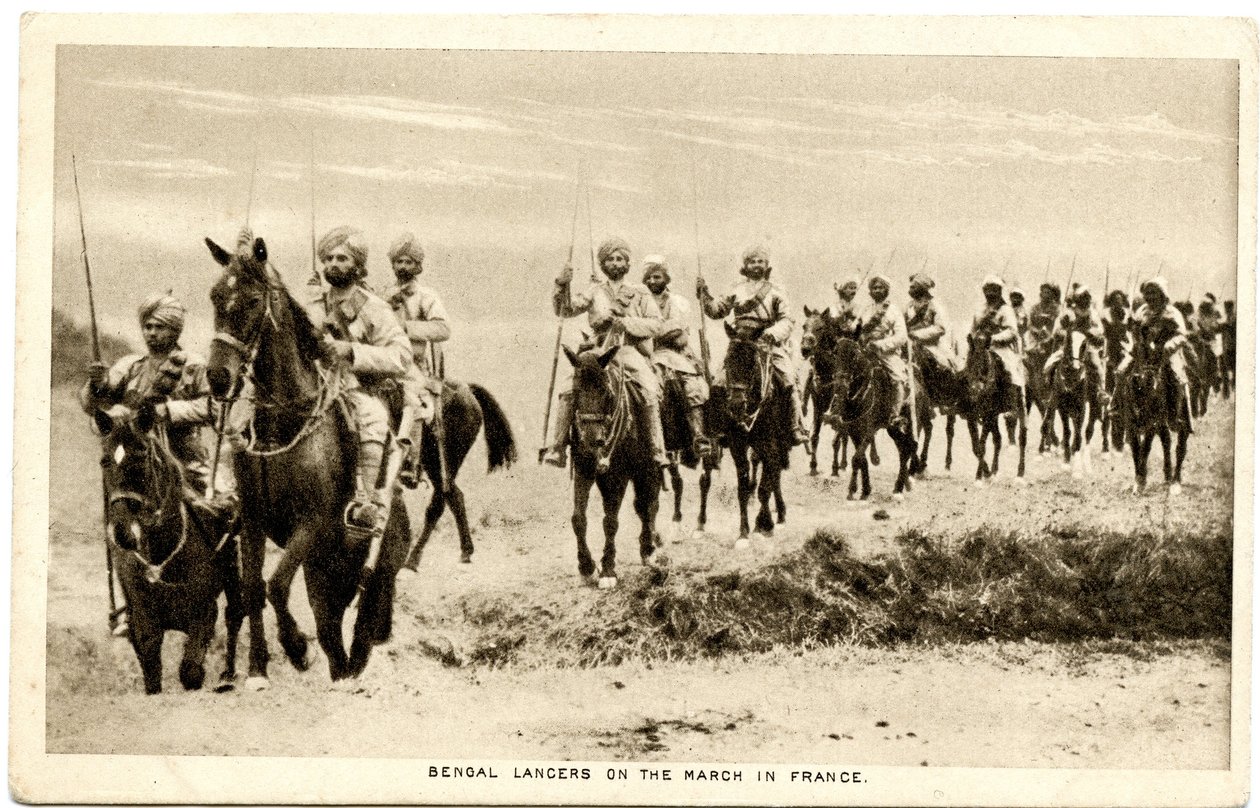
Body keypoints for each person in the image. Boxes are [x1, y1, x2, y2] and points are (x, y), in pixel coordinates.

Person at [82, 293, 233, 509]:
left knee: (223, 505)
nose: (151, 333)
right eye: (148, 326)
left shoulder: (194, 365)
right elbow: (92, 407)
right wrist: (96, 385)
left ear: (174, 330)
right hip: (136, 458)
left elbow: (216, 408)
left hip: (186, 459)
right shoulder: (130, 366)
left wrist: (167, 411)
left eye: (159, 327)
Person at [309, 226, 414, 535]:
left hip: (356, 389)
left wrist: (352, 351)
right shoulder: (314, 305)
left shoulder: (373, 307)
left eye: (341, 258)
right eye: (327, 258)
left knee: (373, 417)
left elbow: (401, 356)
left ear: (357, 265)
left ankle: (365, 501)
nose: (332, 264)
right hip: (314, 389)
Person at [544, 237, 668, 469]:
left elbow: (656, 324)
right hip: (596, 351)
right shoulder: (594, 290)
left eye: (620, 258)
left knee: (649, 388)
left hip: (627, 349)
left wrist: (625, 323)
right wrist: (561, 284)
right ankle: (558, 448)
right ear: (603, 264)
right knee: (568, 388)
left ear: (627, 263)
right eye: (610, 259)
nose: (615, 263)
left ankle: (656, 449)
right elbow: (566, 309)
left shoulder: (639, 291)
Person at [696, 245, 809, 445]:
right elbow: (717, 311)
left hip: (767, 343)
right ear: (745, 265)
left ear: (767, 265)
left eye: (760, 262)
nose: (756, 265)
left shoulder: (776, 291)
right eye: (752, 261)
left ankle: (795, 426)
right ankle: (717, 428)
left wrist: (771, 334)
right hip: (739, 343)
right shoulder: (737, 289)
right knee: (718, 380)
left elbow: (787, 320)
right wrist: (704, 295)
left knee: (789, 378)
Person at [384, 233, 450, 487]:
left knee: (412, 398)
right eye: (398, 262)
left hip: (412, 365)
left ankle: (409, 462)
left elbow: (443, 329)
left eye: (408, 262)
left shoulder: (426, 296)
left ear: (418, 266)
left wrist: (406, 327)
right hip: (382, 361)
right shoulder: (382, 294)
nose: (402, 267)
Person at [642, 255, 711, 457]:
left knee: (693, 386)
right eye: (648, 278)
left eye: (656, 277)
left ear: (666, 278)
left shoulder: (679, 302)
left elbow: (679, 334)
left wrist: (649, 329)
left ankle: (698, 435)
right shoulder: (639, 300)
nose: (652, 281)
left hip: (676, 354)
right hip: (647, 353)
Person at [1116, 276, 1193, 430]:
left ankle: (1177, 416)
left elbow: (1181, 335)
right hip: (1143, 352)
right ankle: (1117, 409)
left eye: (1154, 293)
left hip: (1166, 354)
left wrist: (1169, 346)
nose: (1150, 296)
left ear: (1162, 294)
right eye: (1148, 293)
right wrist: (1132, 328)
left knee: (1177, 377)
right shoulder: (1142, 311)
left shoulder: (1172, 312)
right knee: (1121, 371)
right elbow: (1135, 332)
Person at [855, 273, 911, 428]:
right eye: (874, 287)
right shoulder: (865, 310)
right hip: (865, 350)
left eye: (880, 287)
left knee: (898, 379)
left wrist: (880, 344)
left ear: (887, 290)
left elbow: (901, 336)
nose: (877, 290)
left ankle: (895, 415)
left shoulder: (894, 310)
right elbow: (857, 330)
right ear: (870, 291)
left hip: (886, 353)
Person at [969, 275, 1026, 395]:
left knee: (1010, 371)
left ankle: (1012, 405)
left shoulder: (1006, 310)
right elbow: (973, 329)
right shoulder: (980, 310)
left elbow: (1012, 331)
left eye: (994, 289)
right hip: (980, 347)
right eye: (988, 289)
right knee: (964, 367)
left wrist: (993, 339)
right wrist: (973, 338)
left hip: (1000, 347)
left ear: (999, 291)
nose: (990, 293)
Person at [1043, 284, 1105, 390]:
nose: (1085, 300)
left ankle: (1101, 391)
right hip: (1069, 345)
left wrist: (1090, 333)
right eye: (1083, 298)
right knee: (1050, 363)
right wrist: (1067, 333)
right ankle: (1049, 389)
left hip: (1087, 347)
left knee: (1097, 366)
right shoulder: (1069, 313)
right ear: (1078, 299)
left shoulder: (1092, 314)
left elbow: (1099, 330)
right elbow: (1057, 330)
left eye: (1087, 298)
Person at [904, 272, 961, 373]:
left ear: (922, 288)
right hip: (909, 345)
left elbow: (940, 328)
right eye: (910, 287)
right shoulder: (908, 306)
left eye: (913, 287)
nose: (910, 289)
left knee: (942, 369)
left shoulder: (934, 305)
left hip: (932, 346)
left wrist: (917, 334)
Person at [1026, 282, 1062, 357]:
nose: (1046, 295)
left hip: (1049, 338)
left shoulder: (1056, 309)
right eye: (1044, 292)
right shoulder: (1035, 307)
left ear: (1051, 295)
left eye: (1048, 293)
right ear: (1041, 293)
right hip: (1034, 336)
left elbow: (1057, 323)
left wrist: (1048, 333)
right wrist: (1035, 331)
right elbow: (1029, 323)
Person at [1008, 286, 1029, 354]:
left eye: (1017, 297)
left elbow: (1021, 324)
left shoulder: (1023, 311)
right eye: (1013, 297)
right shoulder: (1007, 309)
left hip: (1020, 336)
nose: (1015, 299)